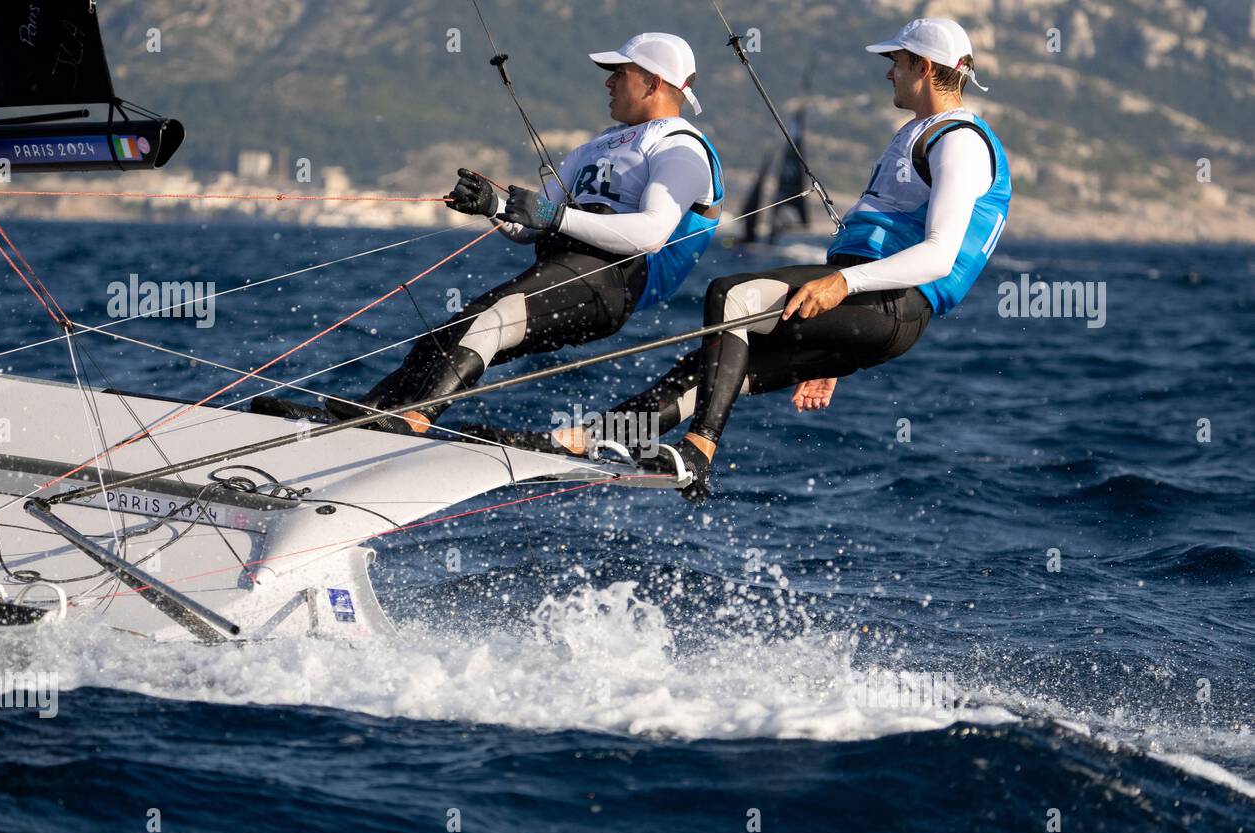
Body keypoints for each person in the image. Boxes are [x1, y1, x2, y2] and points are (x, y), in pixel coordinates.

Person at [515, 17, 1011, 503]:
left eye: (896, 62)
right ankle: (594, 439)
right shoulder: (923, 133)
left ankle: (698, 451)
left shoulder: (958, 141)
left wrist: (842, 287)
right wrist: (837, 336)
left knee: (729, 297)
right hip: (871, 305)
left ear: (924, 67)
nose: (888, 73)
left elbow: (939, 256)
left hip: (893, 303)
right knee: (709, 365)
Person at [253, 33, 723, 433]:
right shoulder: (593, 147)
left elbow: (652, 233)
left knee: (489, 319)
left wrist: (553, 218)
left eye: (619, 73)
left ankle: (413, 418)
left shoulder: (681, 148)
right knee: (451, 332)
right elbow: (528, 226)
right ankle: (365, 418)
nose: (608, 81)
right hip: (562, 266)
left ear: (653, 81)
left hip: (613, 281)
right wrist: (493, 207)